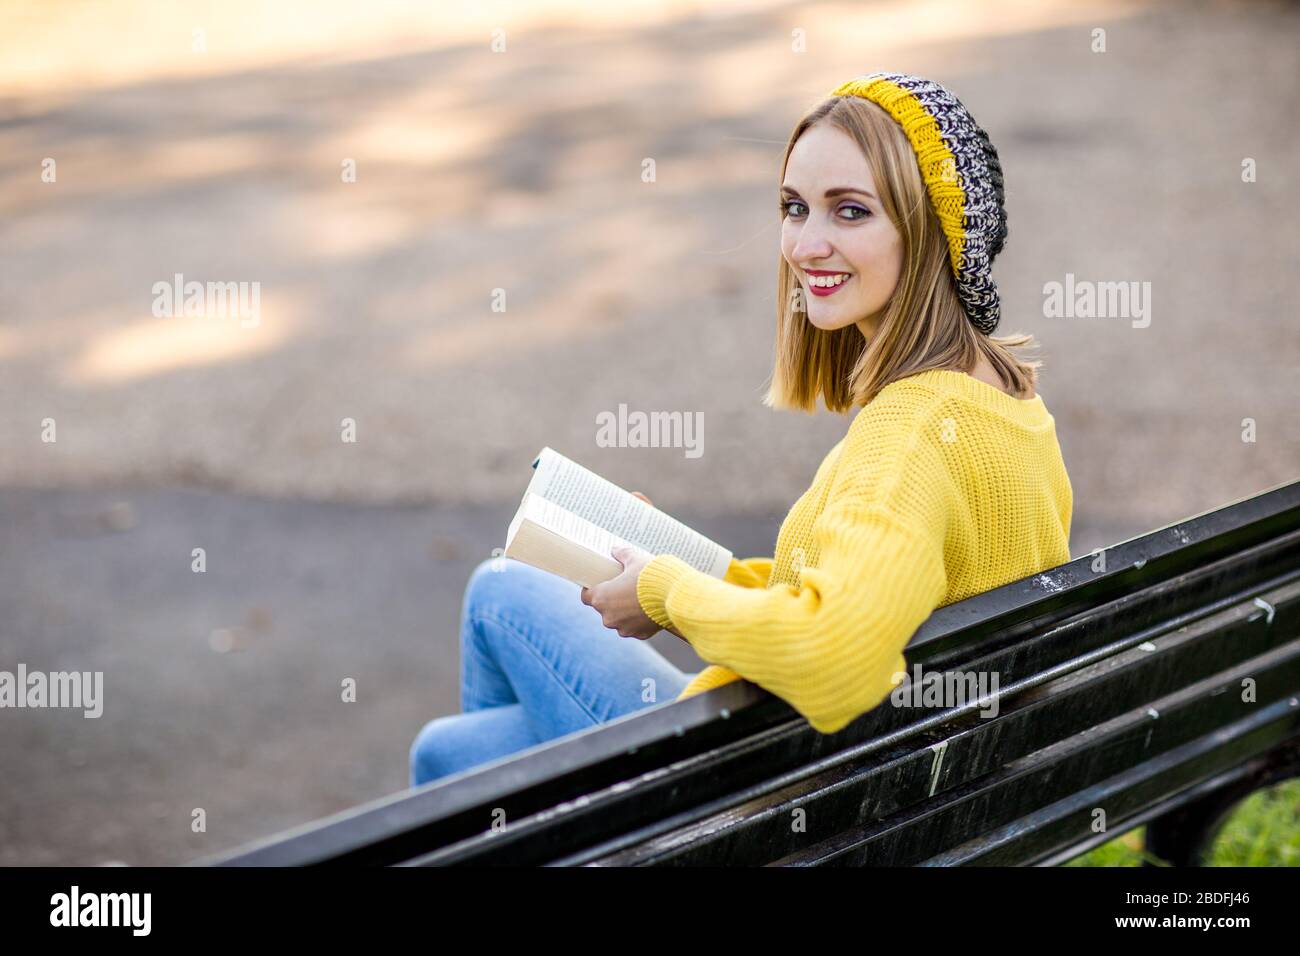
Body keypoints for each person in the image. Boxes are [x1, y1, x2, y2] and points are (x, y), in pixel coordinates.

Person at [409, 71, 1072, 788]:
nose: (805, 245)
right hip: (899, 786)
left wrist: (663, 593)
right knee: (454, 754)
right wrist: (696, 572)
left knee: (501, 591)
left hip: (760, 795)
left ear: (932, 229)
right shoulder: (1006, 402)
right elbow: (869, 588)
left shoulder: (911, 436)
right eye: (795, 207)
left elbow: (834, 658)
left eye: (850, 212)